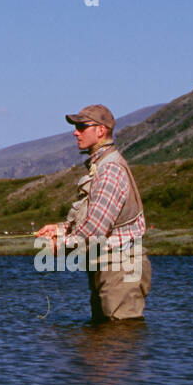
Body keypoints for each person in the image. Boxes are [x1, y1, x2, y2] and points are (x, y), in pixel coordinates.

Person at [34, 104, 151, 321]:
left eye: (81, 126)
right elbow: (93, 218)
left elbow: (96, 230)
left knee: (118, 339)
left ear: (100, 130)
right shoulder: (101, 167)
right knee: (101, 343)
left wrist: (59, 246)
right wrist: (60, 229)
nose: (75, 132)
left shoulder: (109, 170)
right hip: (109, 266)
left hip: (121, 266)